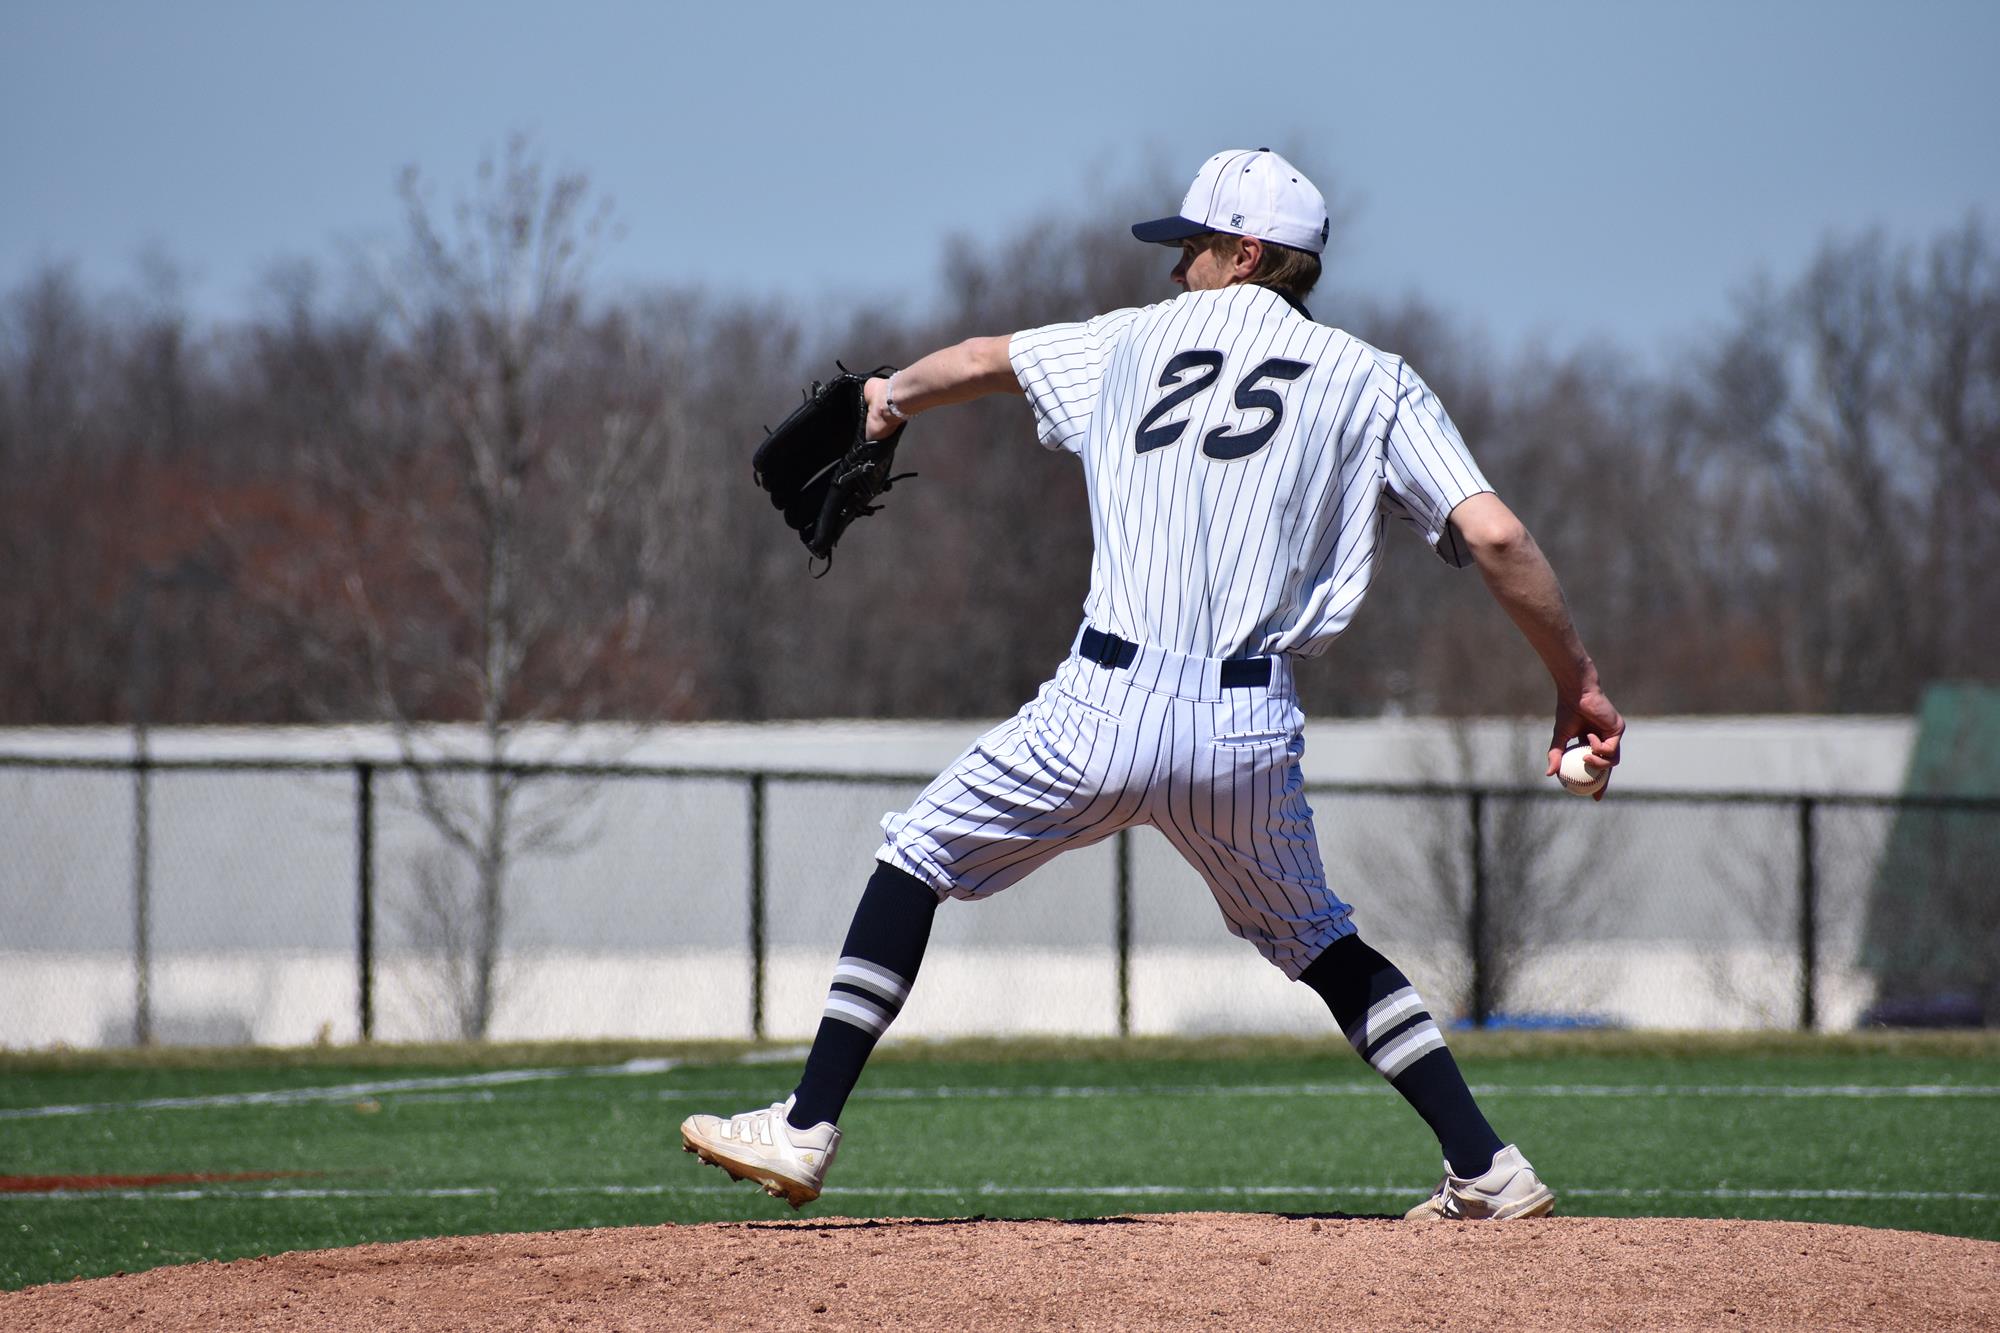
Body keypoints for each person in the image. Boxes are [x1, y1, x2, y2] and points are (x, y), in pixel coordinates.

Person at [681, 148, 1624, 1221]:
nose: (1175, 267)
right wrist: (1575, 684)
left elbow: (985, 358)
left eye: (1190, 248)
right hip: (1245, 729)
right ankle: (1487, 1168)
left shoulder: (1129, 339)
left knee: (917, 852)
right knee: (1317, 937)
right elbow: (1493, 533)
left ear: (1247, 253)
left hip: (1103, 707)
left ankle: (806, 1125)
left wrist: (887, 397)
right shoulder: (1373, 377)